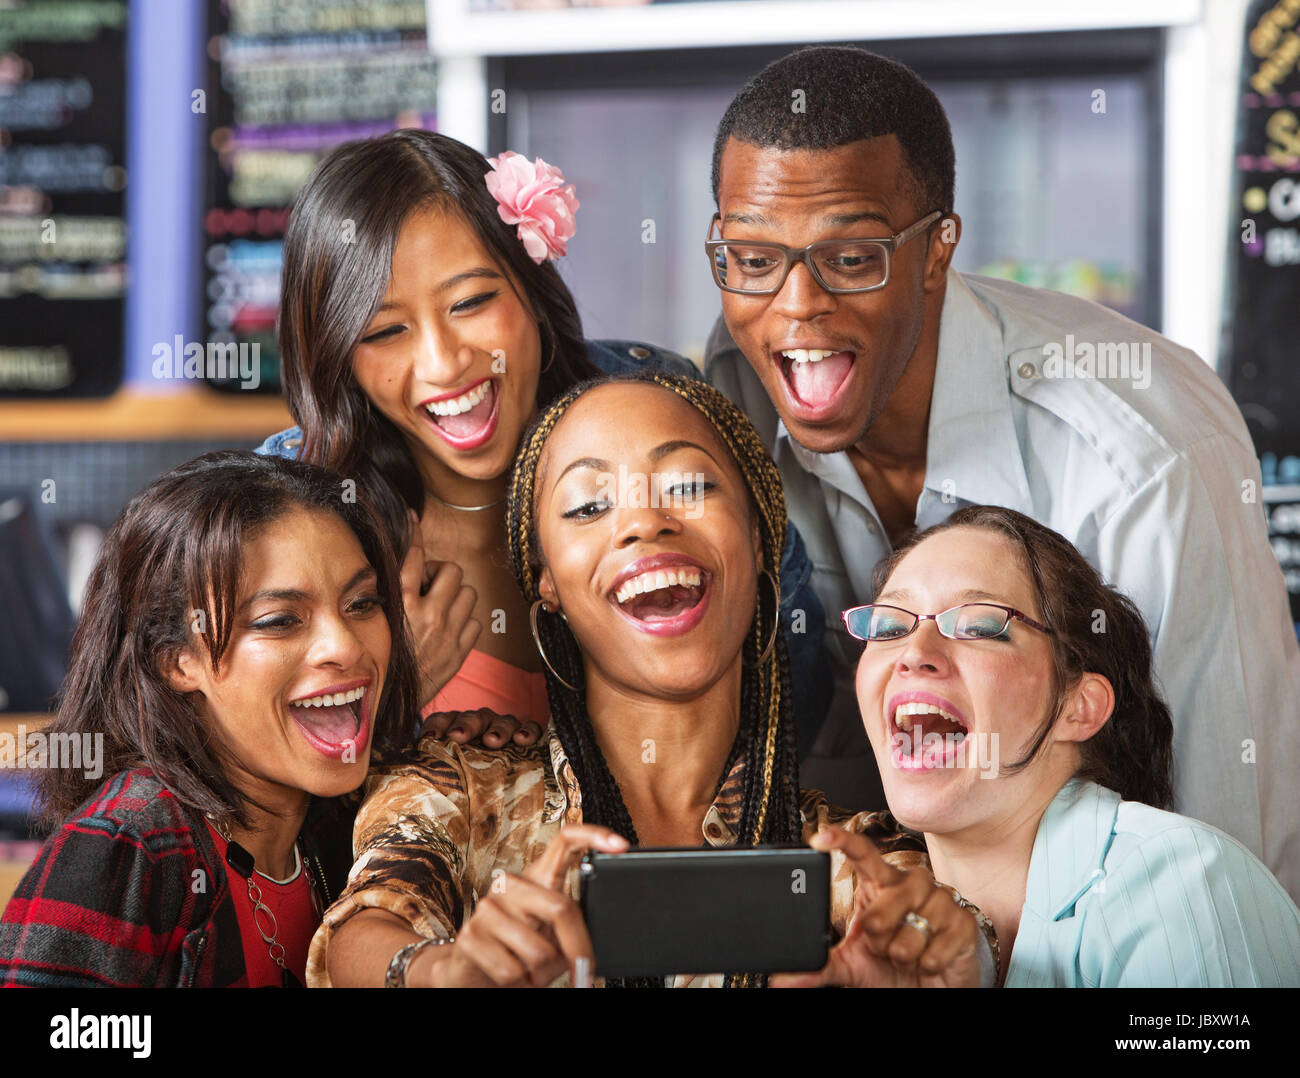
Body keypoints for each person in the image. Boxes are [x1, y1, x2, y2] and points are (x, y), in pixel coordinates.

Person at [700, 45, 1300, 897]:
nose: (797, 305)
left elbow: (1236, 848)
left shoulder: (1140, 455)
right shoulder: (734, 386)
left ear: (938, 251)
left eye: (852, 256)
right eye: (754, 259)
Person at [308, 371, 996, 988]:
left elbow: (960, 943)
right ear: (546, 581)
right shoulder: (456, 787)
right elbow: (362, 932)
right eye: (587, 506)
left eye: (689, 487)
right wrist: (438, 973)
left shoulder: (858, 864)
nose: (644, 521)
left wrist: (956, 968)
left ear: (758, 540)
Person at [258, 129, 830, 745]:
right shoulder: (297, 513)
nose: (444, 364)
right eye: (383, 333)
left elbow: (795, 696)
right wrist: (393, 696)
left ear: (531, 289)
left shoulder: (655, 406)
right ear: (340, 359)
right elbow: (258, 810)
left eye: (471, 301)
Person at [0, 451, 421, 987]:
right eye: (280, 621)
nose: (346, 645)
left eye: (362, 603)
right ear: (179, 662)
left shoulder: (345, 823)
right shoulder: (129, 840)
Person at [847, 504, 1300, 986]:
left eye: (980, 626)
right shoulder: (879, 933)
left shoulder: (1183, 883)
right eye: (890, 628)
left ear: (1078, 707)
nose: (915, 653)